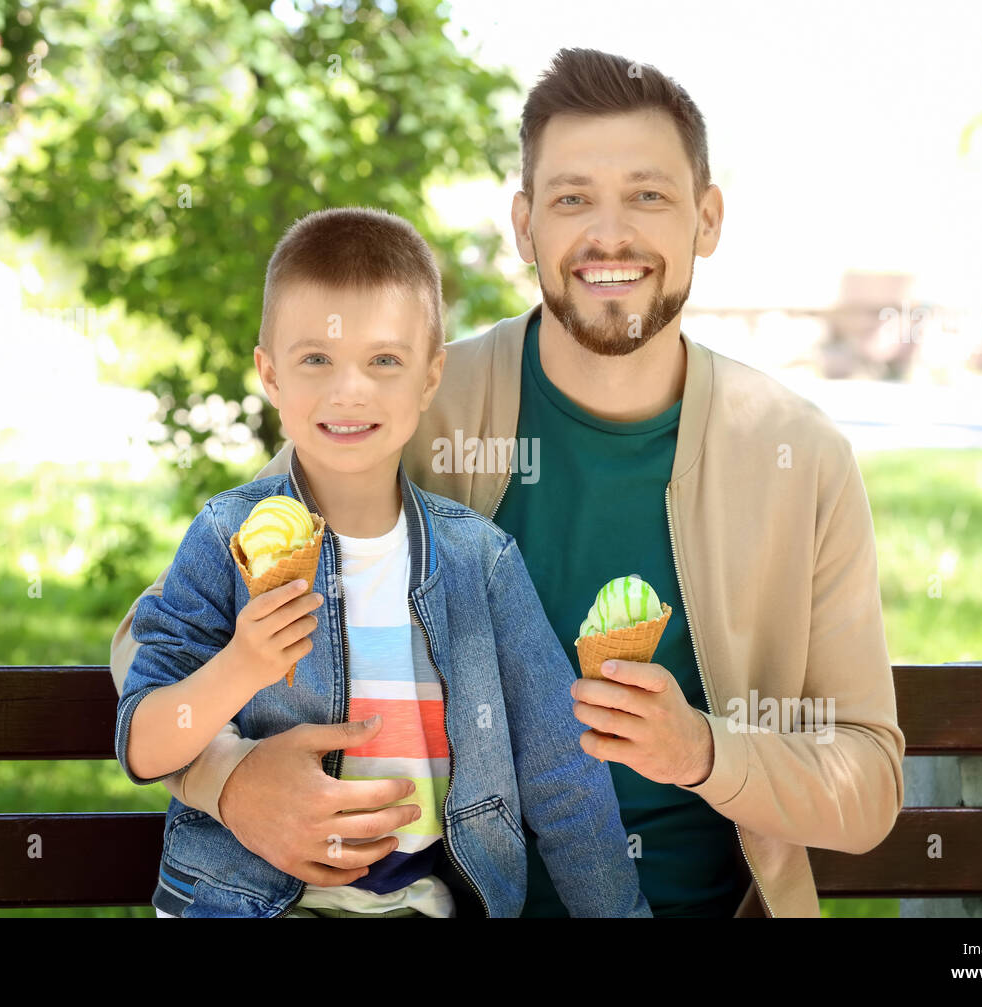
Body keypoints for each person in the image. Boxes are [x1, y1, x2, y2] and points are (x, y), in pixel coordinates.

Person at [110, 48, 905, 918]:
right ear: (525, 226)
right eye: (572, 199)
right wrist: (228, 780)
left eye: (648, 194)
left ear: (705, 219)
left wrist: (705, 752)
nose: (609, 235)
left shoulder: (795, 453)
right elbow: (153, 642)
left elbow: (865, 784)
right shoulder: (412, 399)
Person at [115, 205, 652, 918]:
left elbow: (563, 772)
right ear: (270, 375)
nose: (350, 390)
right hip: (245, 903)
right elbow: (144, 742)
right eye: (316, 359)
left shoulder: (480, 563)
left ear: (429, 379)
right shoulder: (225, 539)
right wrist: (242, 665)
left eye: (384, 361)